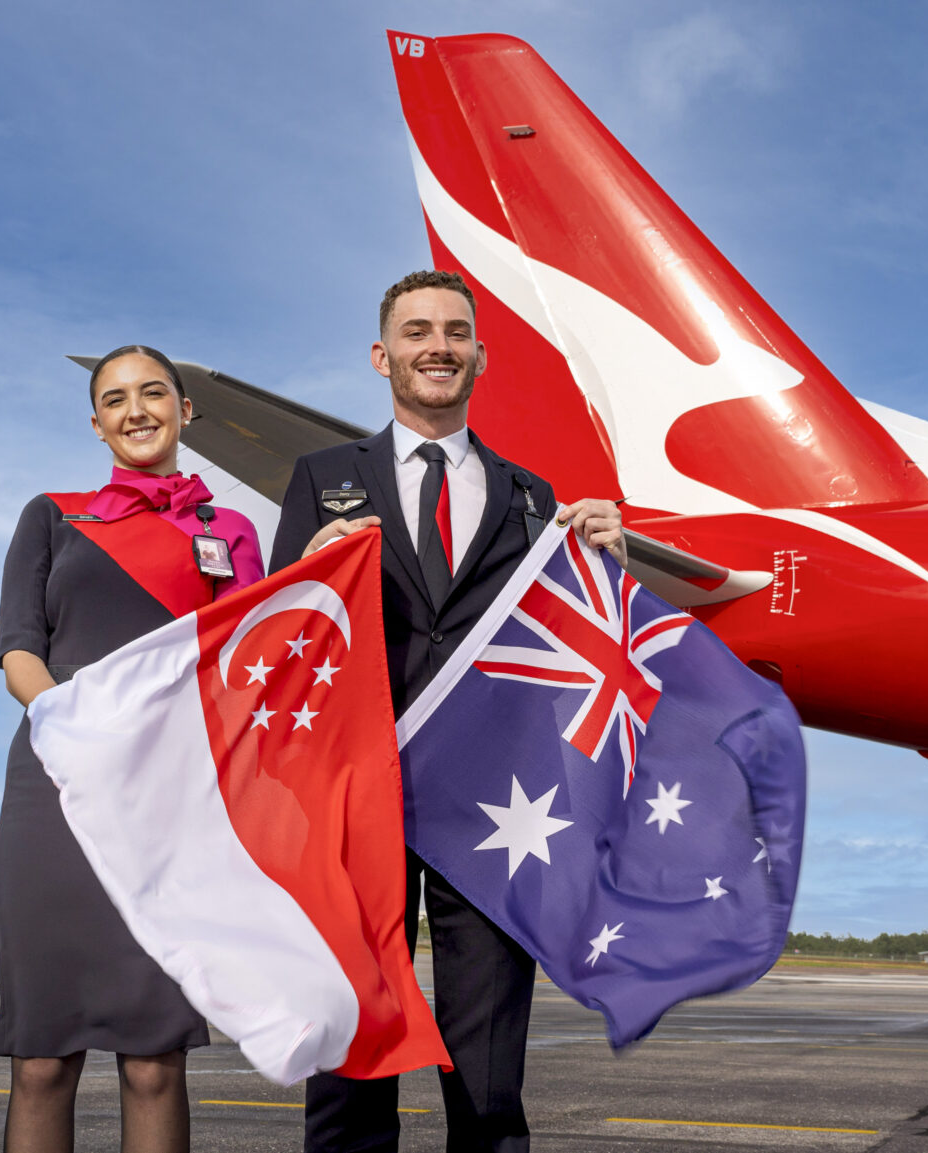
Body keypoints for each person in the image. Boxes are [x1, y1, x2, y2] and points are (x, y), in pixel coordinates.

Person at [271, 271, 623, 1153]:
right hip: (358, 791)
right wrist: (307, 568)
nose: (440, 345)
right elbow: (277, 641)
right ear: (382, 355)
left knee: (489, 1067)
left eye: (456, 333)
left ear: (479, 357)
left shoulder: (533, 496)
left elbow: (563, 647)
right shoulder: (322, 478)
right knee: (353, 1051)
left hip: (495, 803)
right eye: (419, 330)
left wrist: (604, 570)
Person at [0, 345, 263, 1153]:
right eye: (115, 399)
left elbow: (246, 661)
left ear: (187, 410)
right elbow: (18, 653)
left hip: (166, 787)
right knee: (41, 1060)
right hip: (56, 782)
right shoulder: (53, 514)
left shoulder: (231, 531)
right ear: (96, 423)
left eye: (153, 393)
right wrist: (79, 727)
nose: (135, 410)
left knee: (154, 1062)